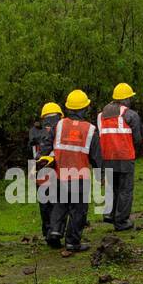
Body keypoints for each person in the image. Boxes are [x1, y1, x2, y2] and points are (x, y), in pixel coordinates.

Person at [48, 89, 102, 252]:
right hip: (80, 176)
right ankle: (72, 242)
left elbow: (47, 145)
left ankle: (55, 231)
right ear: (84, 109)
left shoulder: (59, 125)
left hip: (60, 174)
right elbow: (96, 156)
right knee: (78, 210)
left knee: (60, 204)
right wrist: (101, 173)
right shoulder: (90, 129)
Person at [98, 83, 142, 231]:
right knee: (125, 189)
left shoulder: (101, 115)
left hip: (107, 157)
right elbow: (137, 139)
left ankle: (110, 214)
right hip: (124, 157)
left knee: (112, 187)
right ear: (126, 99)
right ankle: (122, 221)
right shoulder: (131, 115)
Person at [29, 103, 64, 242]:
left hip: (39, 171)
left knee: (44, 202)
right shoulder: (62, 127)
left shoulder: (35, 131)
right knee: (59, 202)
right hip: (59, 170)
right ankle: (56, 231)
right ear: (60, 115)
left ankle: (47, 231)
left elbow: (30, 150)